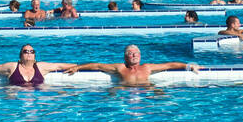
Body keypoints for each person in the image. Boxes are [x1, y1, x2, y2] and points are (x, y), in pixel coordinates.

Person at [67, 44, 199, 85]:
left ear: (140, 56)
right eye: (131, 53)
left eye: (136, 53)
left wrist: (189, 66)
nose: (134, 55)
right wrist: (78, 67)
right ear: (125, 57)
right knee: (108, 98)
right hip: (122, 90)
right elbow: (97, 66)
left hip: (146, 89)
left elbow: (169, 65)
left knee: (161, 97)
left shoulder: (146, 67)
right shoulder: (120, 67)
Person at [0, 45, 76, 85]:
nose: (29, 53)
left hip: (38, 98)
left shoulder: (41, 67)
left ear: (35, 56)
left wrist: (78, 67)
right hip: (14, 98)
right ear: (20, 56)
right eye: (26, 51)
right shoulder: (12, 67)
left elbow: (59, 66)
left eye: (32, 51)